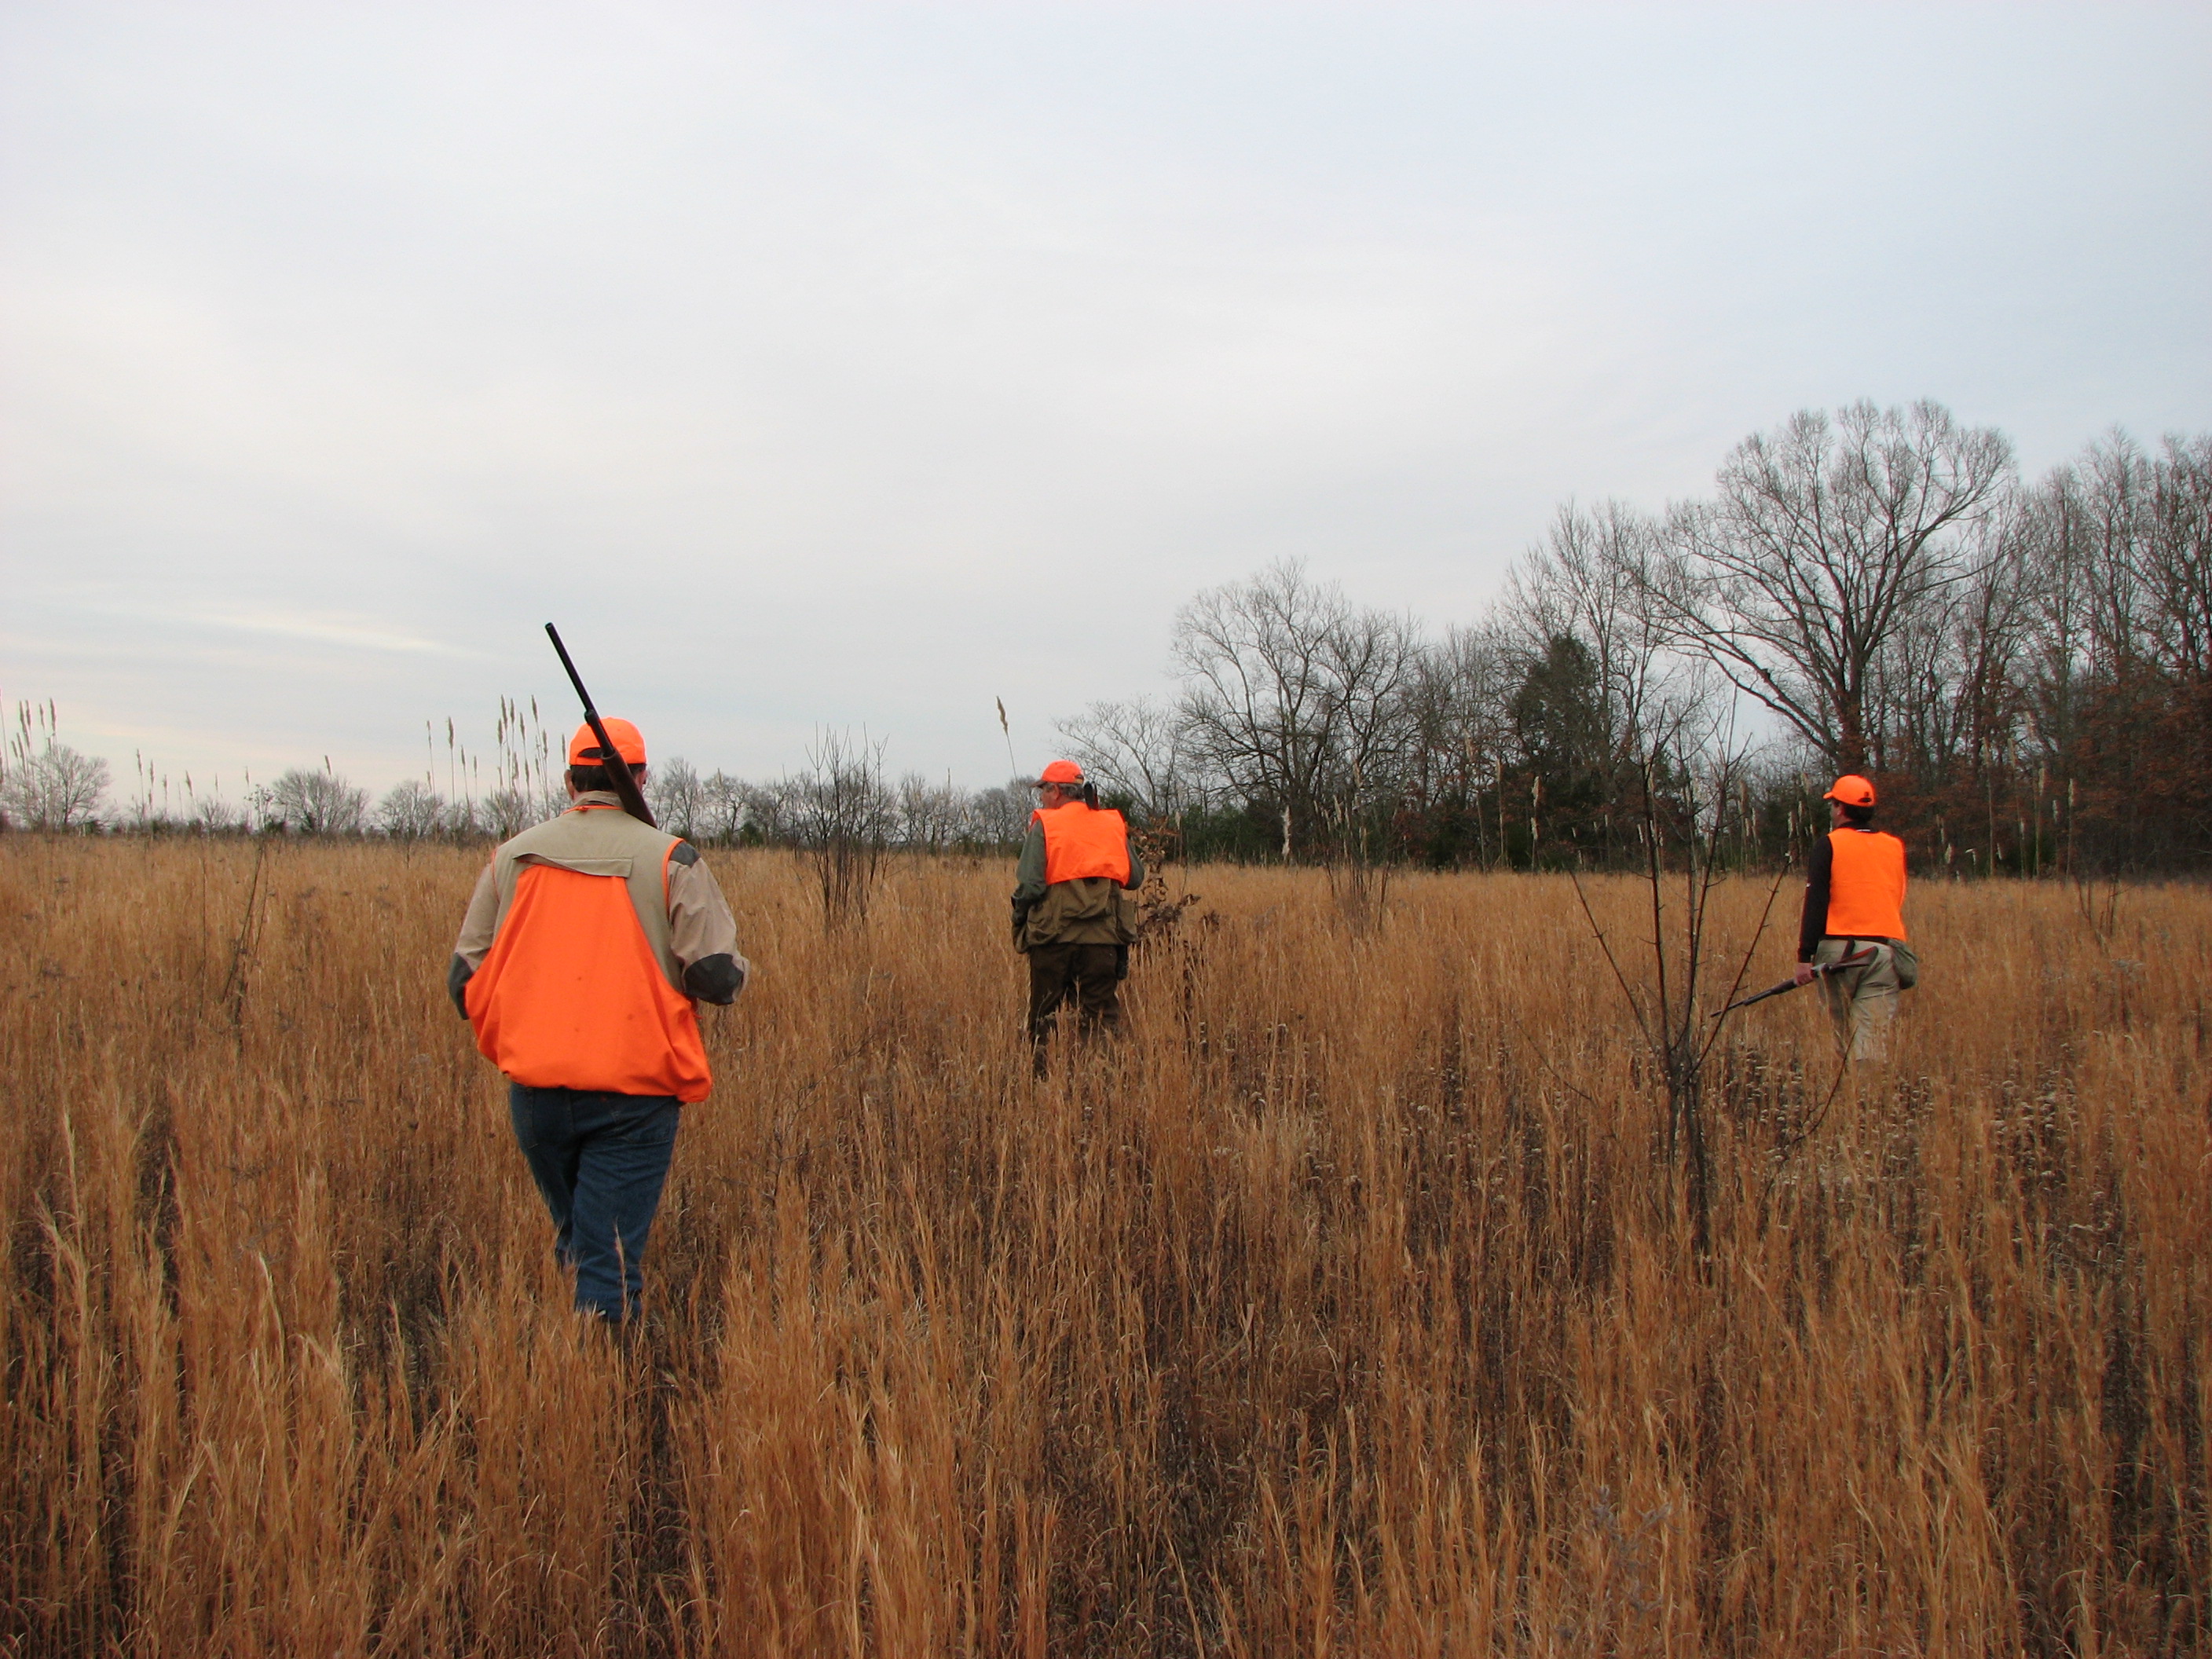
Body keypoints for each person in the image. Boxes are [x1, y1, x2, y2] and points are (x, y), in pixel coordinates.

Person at [449, 718, 749, 1323]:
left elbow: (464, 982)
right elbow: (716, 978)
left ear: (569, 781)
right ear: (639, 777)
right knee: (607, 1262)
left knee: (581, 1244)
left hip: (535, 1099)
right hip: (633, 1099)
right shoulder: (671, 857)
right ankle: (605, 1399)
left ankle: (569, 1374)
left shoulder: (512, 857)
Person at [1011, 759, 1144, 1060]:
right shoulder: (1111, 823)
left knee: (1045, 1015)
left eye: (1043, 791)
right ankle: (1100, 1081)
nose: (1042, 798)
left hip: (1053, 938)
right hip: (1103, 940)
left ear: (1057, 791)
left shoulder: (1046, 824)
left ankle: (1043, 1081)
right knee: (1100, 1016)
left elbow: (1031, 886)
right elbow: (1135, 878)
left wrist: (1019, 917)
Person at [1794, 773, 1910, 1063]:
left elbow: (1816, 901)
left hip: (1839, 952)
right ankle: (1866, 1101)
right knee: (1871, 1043)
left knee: (1840, 1036)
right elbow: (1897, 895)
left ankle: (1843, 1098)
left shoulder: (1830, 844)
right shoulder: (1894, 847)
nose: (1832, 810)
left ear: (1841, 809)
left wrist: (1804, 956)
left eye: (1833, 804)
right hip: (1885, 952)